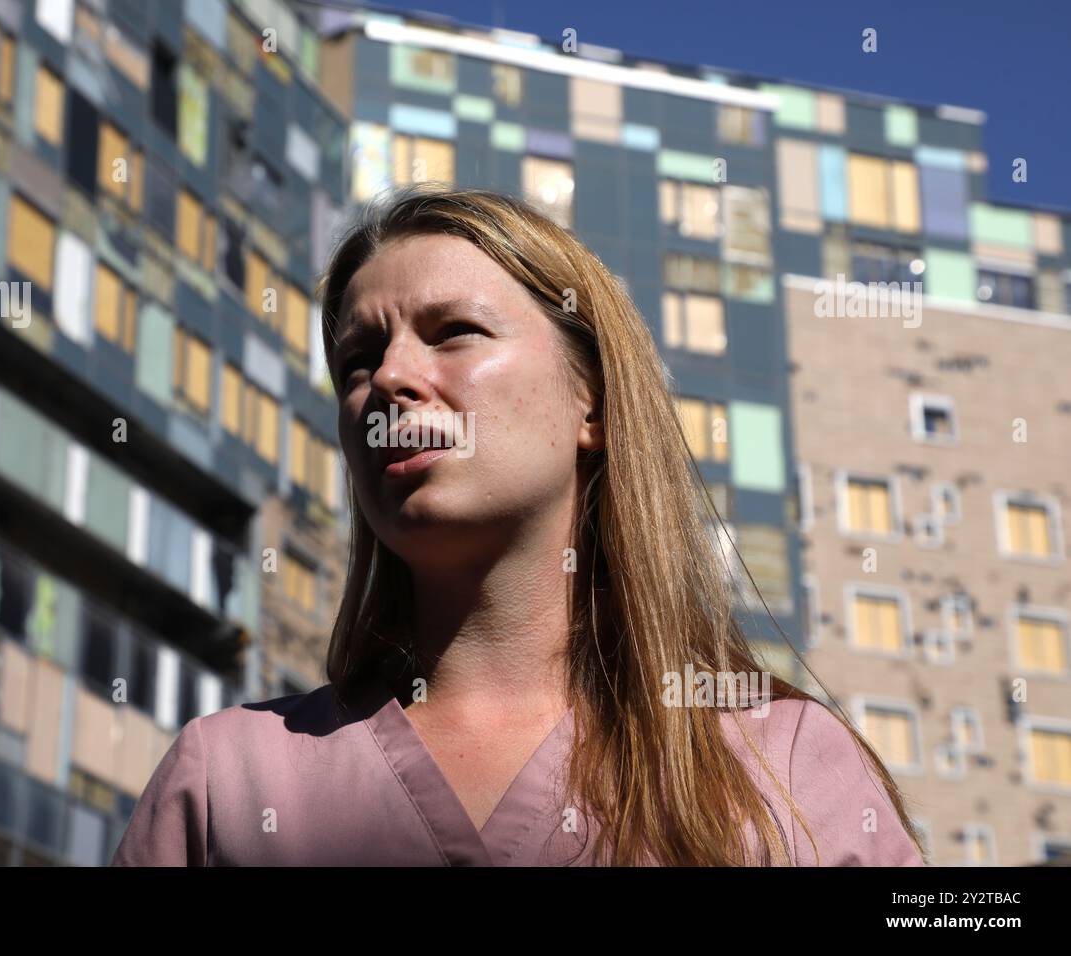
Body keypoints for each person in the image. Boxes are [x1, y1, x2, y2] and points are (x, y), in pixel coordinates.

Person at [110, 185, 926, 866]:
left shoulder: (784, 771)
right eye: (358, 360)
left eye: (453, 332)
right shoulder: (226, 780)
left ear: (592, 403)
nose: (389, 378)